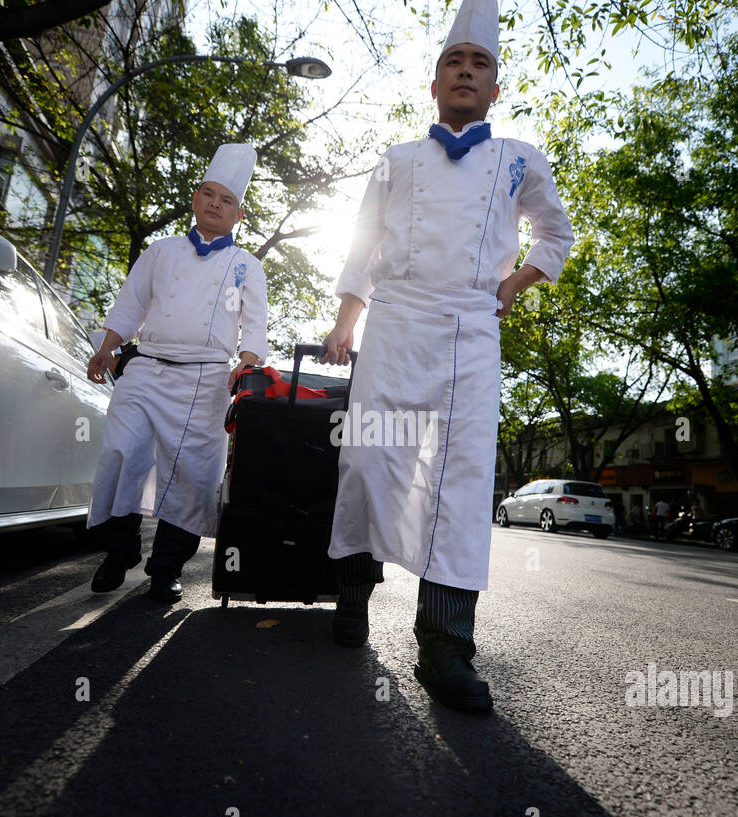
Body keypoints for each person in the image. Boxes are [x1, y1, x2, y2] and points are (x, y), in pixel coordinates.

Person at [320, 0, 575, 713]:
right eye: (452, 63)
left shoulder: (520, 157)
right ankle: (351, 595)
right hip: (395, 322)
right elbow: (363, 245)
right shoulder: (396, 161)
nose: (466, 72)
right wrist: (347, 319)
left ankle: (445, 645)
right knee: (369, 461)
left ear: (496, 87)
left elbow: (554, 233)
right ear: (433, 86)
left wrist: (516, 282)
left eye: (479, 64)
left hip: (470, 330)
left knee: (459, 482)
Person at [84, 143, 267, 602]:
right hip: (146, 367)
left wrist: (247, 362)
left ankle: (165, 569)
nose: (216, 204)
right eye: (209, 194)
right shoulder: (161, 252)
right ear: (194, 198)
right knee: (119, 454)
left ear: (239, 215)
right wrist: (107, 349)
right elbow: (131, 304)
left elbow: (256, 323)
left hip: (206, 378)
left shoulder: (247, 265)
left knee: (193, 475)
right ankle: (118, 551)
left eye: (227, 200)